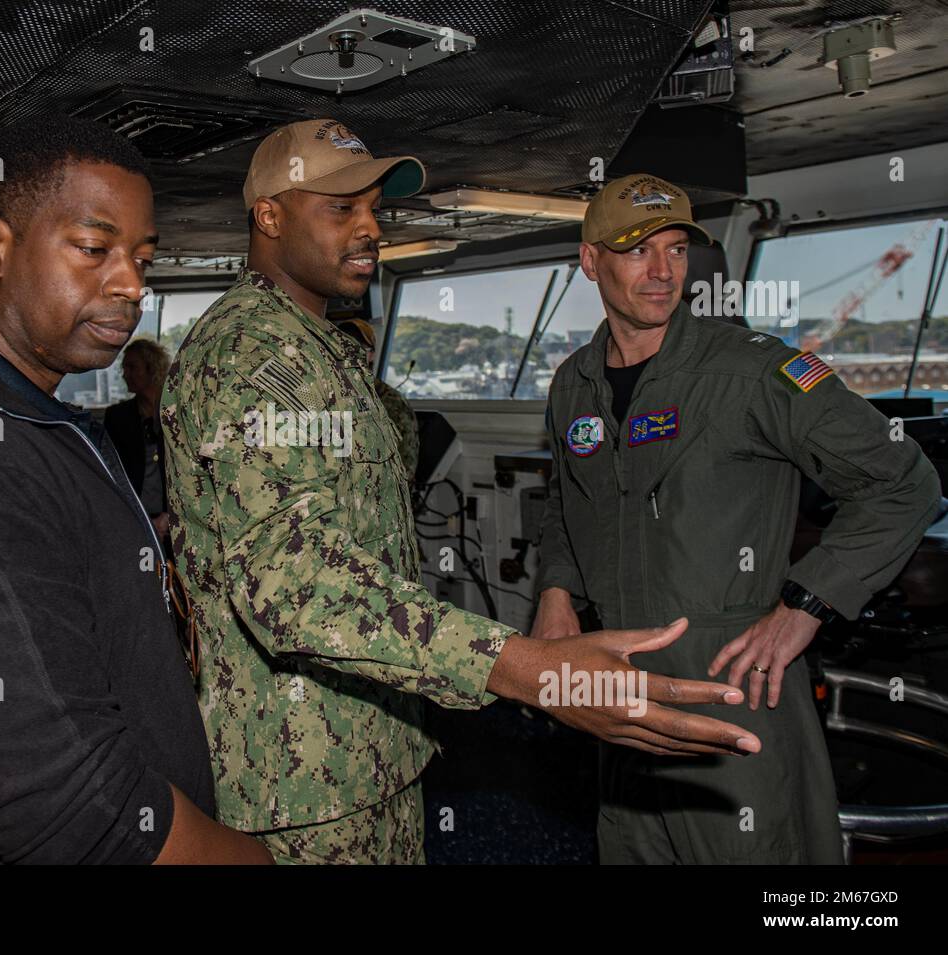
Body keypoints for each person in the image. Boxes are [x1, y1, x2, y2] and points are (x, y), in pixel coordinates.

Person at [161, 119, 761, 864]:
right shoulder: (250, 352)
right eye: (341, 209)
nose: (370, 229)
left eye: (375, 209)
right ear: (271, 216)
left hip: (368, 754)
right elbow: (295, 585)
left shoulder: (319, 350)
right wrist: (521, 667)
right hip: (300, 783)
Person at [0, 116, 271, 864]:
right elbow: (71, 810)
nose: (131, 282)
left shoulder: (25, 417)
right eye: (95, 249)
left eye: (141, 256)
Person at [533, 173, 942, 864]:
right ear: (591, 261)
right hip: (623, 680)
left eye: (676, 249)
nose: (664, 271)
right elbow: (568, 504)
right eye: (638, 251)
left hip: (731, 678)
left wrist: (804, 604)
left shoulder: (754, 371)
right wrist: (554, 594)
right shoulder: (574, 383)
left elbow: (902, 479)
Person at [332, 316, 419, 480]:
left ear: (371, 355)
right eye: (341, 345)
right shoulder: (330, 396)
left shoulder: (391, 403)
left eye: (358, 347)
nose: (347, 353)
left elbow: (405, 470)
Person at [104, 337, 172, 539]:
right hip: (134, 516)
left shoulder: (175, 413)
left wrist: (170, 514)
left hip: (174, 515)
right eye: (124, 368)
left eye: (132, 367)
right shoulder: (118, 416)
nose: (126, 375)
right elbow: (113, 471)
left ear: (152, 368)